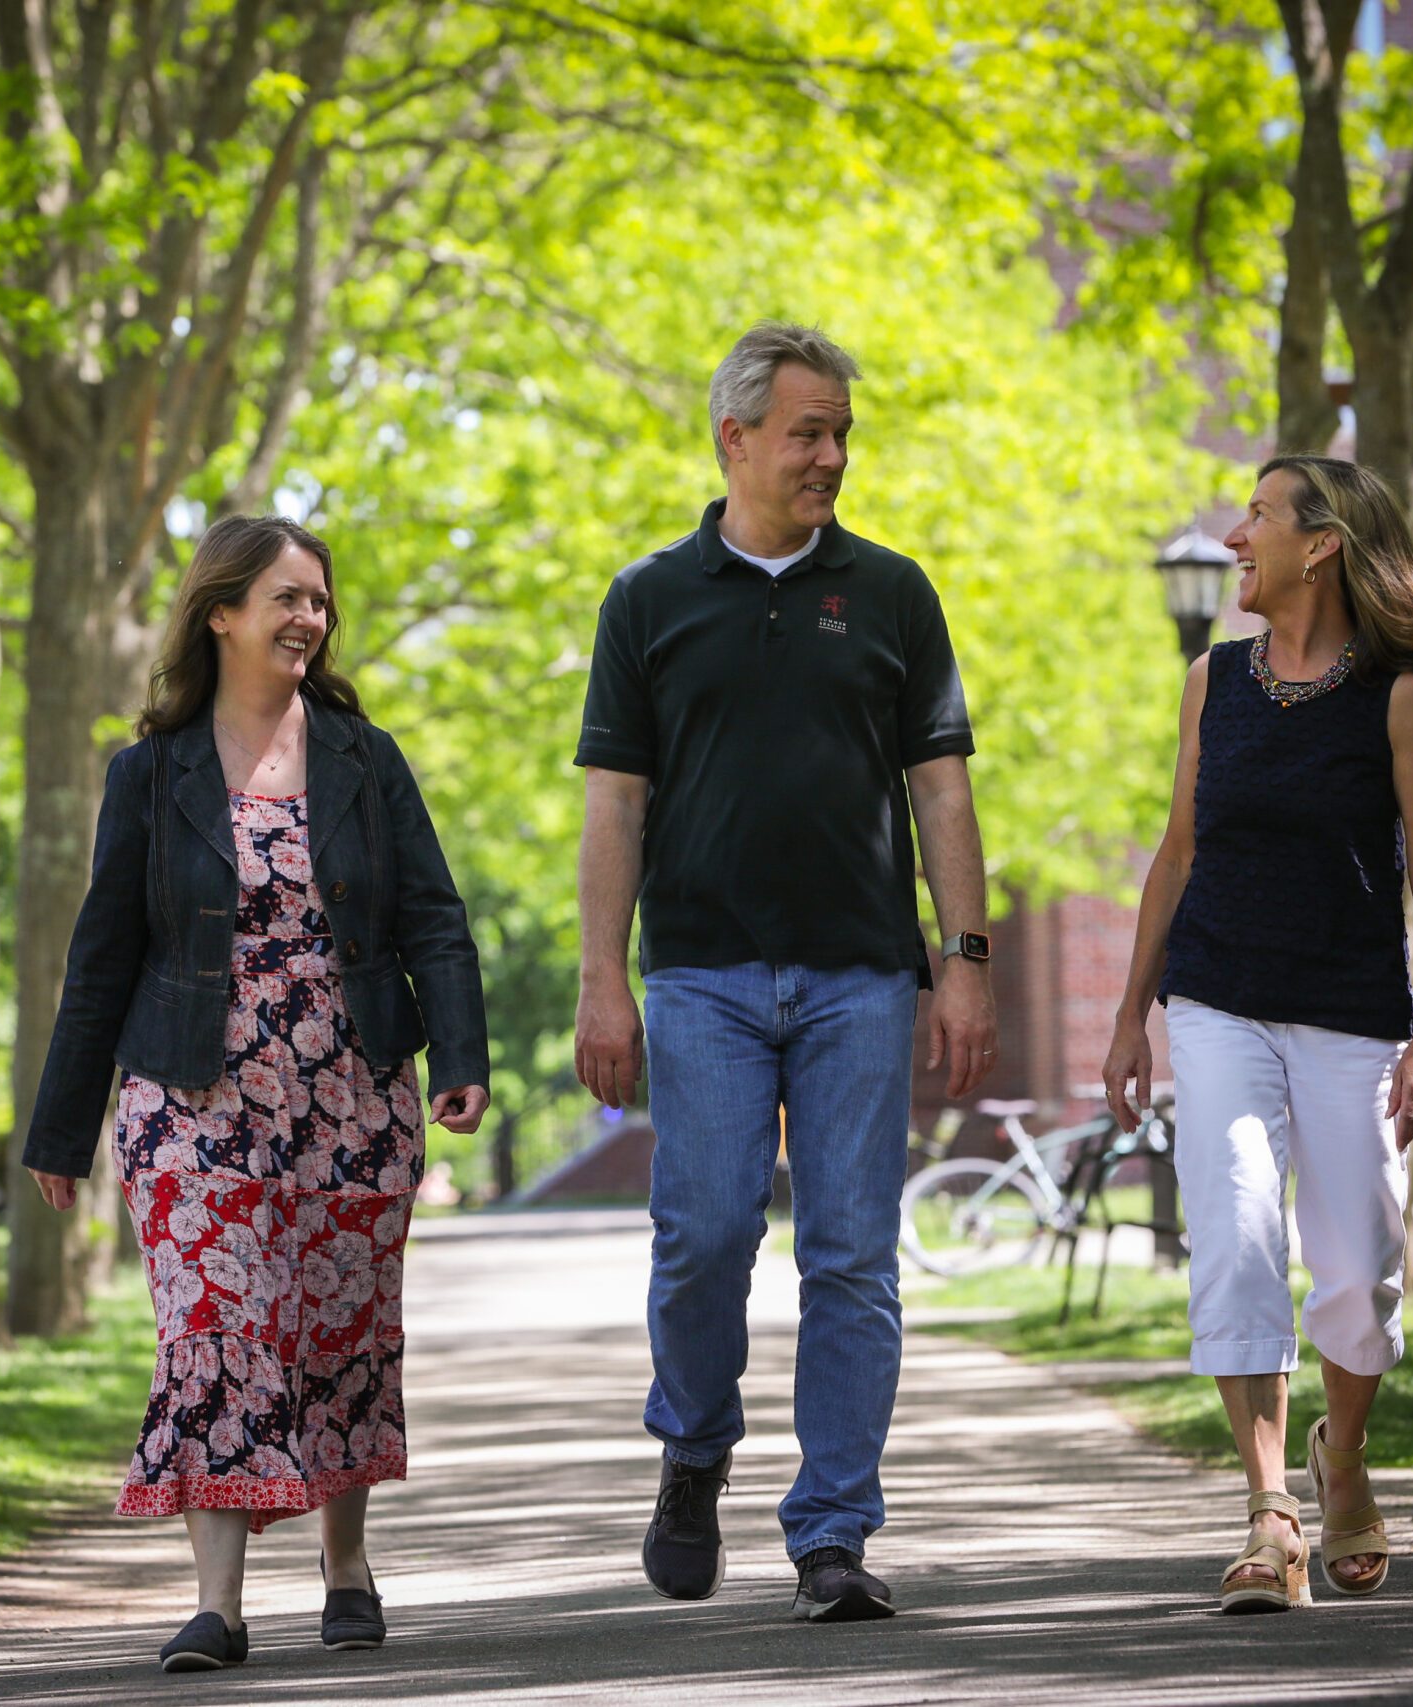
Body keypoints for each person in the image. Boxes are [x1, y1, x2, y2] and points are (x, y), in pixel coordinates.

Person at [573, 321, 995, 1624]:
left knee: (854, 1256)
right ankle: (695, 1445)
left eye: (843, 433)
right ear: (735, 436)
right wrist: (605, 977)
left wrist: (964, 956)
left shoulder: (894, 593)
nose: (831, 455)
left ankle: (832, 1531)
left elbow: (941, 788)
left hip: (863, 973)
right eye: (809, 431)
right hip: (699, 971)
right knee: (703, 1234)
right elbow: (614, 806)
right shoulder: (648, 598)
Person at [21, 514, 490, 1673]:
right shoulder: (151, 773)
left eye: (319, 601)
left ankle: (345, 1568)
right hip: (190, 1092)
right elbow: (102, 954)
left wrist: (462, 1057)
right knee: (213, 1332)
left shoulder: (362, 759)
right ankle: (217, 1606)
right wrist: (62, 1125)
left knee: (339, 1328)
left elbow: (432, 913)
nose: (308, 617)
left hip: (350, 1085)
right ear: (219, 612)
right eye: (285, 596)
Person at [1100, 455, 1413, 1613]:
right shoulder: (1213, 681)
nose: (1229, 536)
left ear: (1317, 545)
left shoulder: (1399, 699)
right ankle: (1269, 1513)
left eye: (1253, 516)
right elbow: (1177, 852)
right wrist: (1130, 1016)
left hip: (1354, 1014)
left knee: (1360, 1274)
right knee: (1237, 1230)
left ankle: (1343, 1456)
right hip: (1216, 1000)